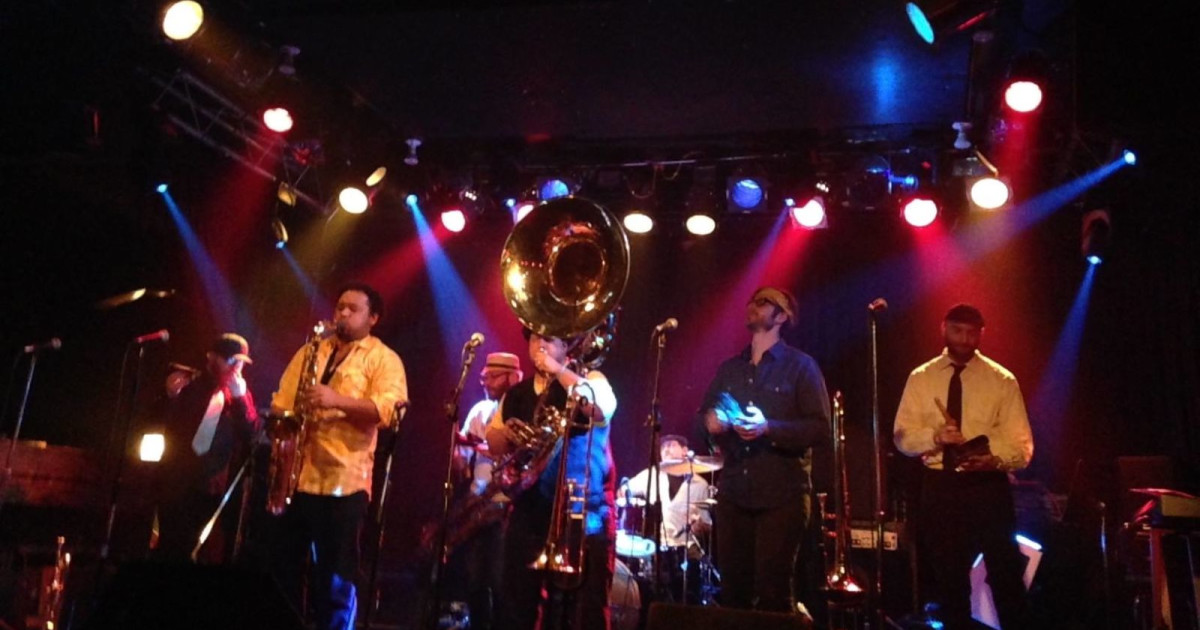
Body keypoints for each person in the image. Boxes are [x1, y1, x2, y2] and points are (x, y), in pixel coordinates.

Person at [270, 283, 408, 630]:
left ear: (373, 318)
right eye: (340, 307)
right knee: (283, 572)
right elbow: (282, 404)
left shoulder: (383, 358)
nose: (342, 314)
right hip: (298, 477)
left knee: (335, 579)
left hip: (345, 481)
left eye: (353, 309)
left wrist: (336, 400)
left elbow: (388, 411)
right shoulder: (310, 351)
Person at [893, 304, 1033, 630]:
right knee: (949, 580)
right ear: (944, 328)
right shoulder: (921, 377)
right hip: (940, 485)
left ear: (982, 334)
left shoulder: (1001, 380)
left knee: (1006, 576)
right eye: (959, 331)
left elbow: (1022, 446)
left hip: (987, 486)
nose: (966, 339)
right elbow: (902, 437)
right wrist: (936, 437)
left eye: (973, 333)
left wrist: (991, 457)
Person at [698, 286, 830, 615]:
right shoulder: (730, 368)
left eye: (763, 302)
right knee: (732, 593)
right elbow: (702, 418)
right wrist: (711, 423)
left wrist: (768, 427)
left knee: (773, 592)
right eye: (752, 301)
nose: (752, 306)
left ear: (782, 316)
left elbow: (819, 428)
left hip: (781, 495)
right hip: (734, 492)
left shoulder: (801, 366)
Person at [485, 328, 618, 630]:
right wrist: (503, 434)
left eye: (549, 339)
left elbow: (601, 409)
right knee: (516, 603)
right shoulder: (517, 393)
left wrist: (559, 370)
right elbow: (494, 441)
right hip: (530, 509)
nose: (540, 345)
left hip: (581, 511)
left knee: (585, 609)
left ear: (566, 346)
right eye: (534, 338)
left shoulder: (591, 378)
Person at [156, 333, 260, 563]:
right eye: (231, 360)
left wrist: (240, 398)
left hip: (212, 487)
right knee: (170, 546)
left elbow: (251, 433)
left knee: (202, 551)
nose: (236, 367)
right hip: (178, 481)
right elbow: (167, 423)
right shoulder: (191, 385)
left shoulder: (240, 394)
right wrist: (170, 395)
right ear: (212, 358)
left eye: (241, 361)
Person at [449, 351, 523, 630]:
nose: (486, 382)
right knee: (476, 580)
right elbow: (463, 463)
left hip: (508, 504)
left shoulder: (521, 408)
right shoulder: (480, 410)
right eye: (483, 377)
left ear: (512, 378)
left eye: (492, 377)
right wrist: (458, 454)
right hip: (479, 504)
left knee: (501, 581)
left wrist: (481, 446)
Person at [619, 435, 712, 602]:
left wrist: (699, 526)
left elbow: (707, 525)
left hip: (686, 547)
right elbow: (624, 490)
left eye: (671, 445)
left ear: (685, 450)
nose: (666, 450)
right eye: (663, 447)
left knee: (687, 590)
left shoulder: (701, 484)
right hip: (656, 546)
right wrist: (627, 496)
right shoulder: (652, 475)